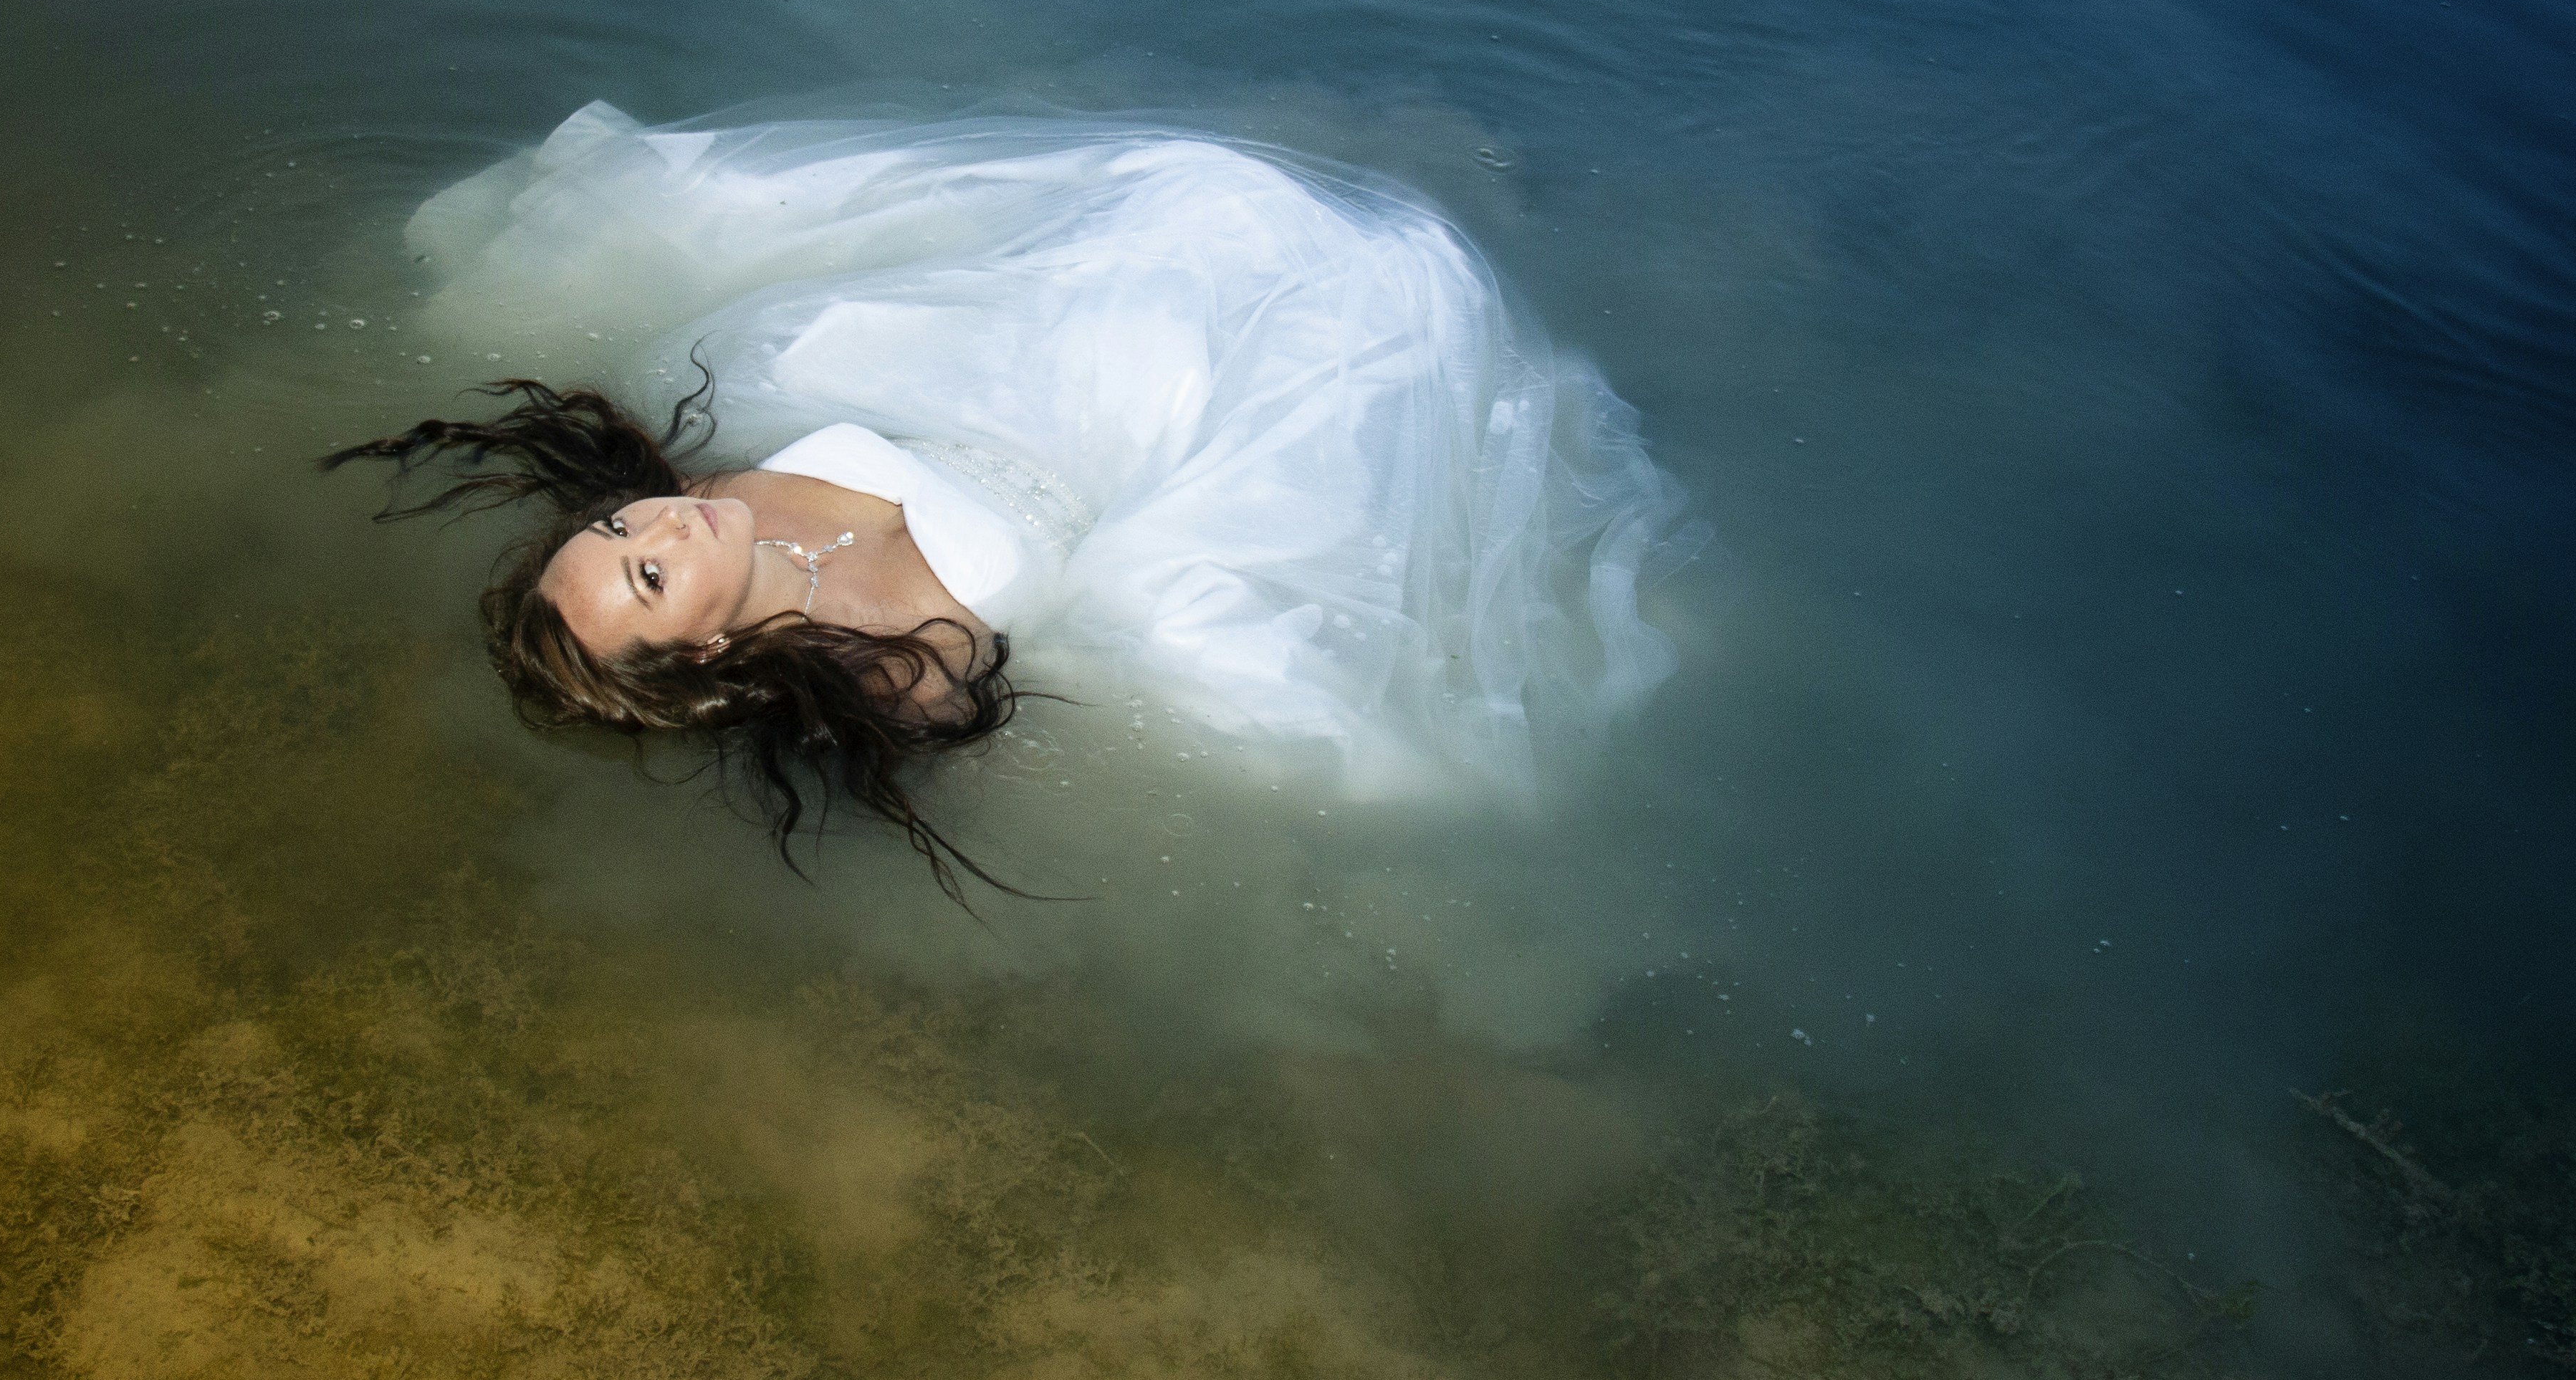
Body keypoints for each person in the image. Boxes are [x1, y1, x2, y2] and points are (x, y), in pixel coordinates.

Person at [327, 102, 1692, 896]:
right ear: (697, 648)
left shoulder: (710, 484)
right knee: (1391, 296)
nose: (654, 529)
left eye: (615, 528)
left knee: (1210, 193)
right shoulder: (890, 677)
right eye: (645, 576)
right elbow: (1041, 739)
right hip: (1160, 460)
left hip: (1023, 364)